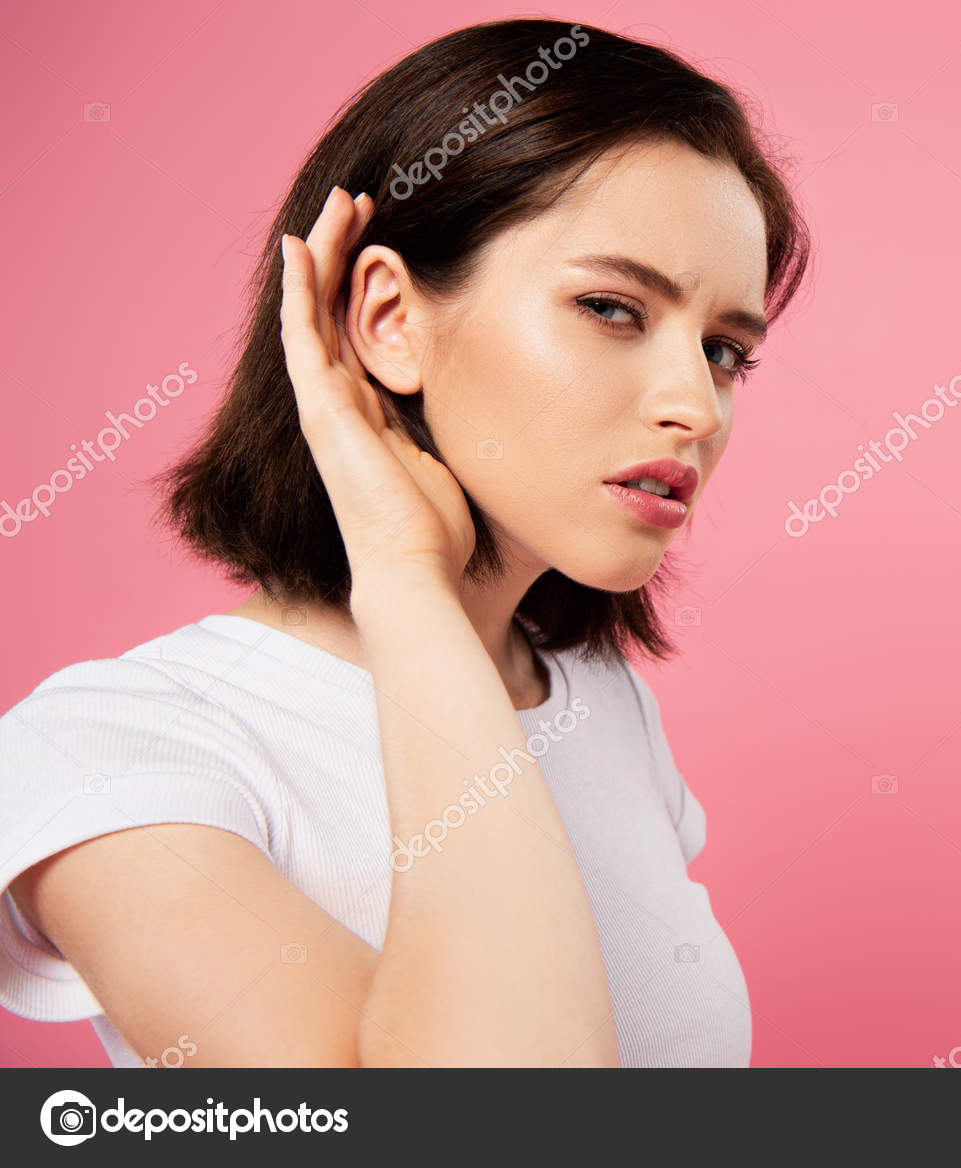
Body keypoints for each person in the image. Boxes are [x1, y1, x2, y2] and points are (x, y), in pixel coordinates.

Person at [0, 18, 810, 1068]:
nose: (693, 406)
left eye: (723, 350)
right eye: (611, 307)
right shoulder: (116, 752)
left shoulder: (594, 693)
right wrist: (403, 580)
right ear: (388, 316)